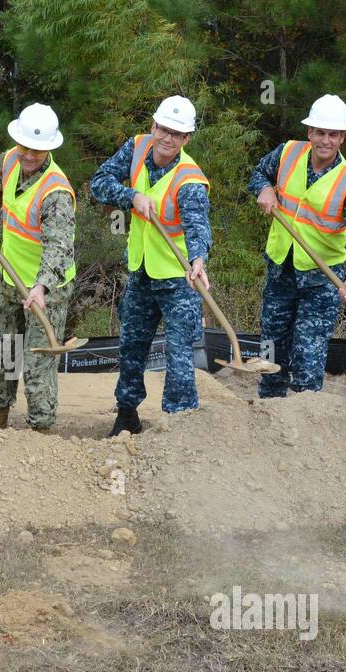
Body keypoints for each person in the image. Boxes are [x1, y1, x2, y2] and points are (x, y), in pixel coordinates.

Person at [90, 95, 211, 437]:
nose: (167, 139)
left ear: (186, 139)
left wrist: (199, 259)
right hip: (141, 271)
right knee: (131, 345)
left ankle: (179, 425)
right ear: (153, 125)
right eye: (163, 129)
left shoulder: (190, 180)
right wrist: (131, 197)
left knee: (179, 352)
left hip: (178, 278)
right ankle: (127, 415)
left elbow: (197, 226)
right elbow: (99, 182)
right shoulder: (137, 147)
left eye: (176, 134)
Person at [249, 94, 346, 398]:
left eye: (333, 134)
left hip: (322, 279)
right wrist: (265, 188)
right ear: (309, 132)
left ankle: (306, 418)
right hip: (281, 267)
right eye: (320, 132)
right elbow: (258, 173)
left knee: (308, 350)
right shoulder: (287, 153)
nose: (325, 140)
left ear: (342, 138)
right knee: (271, 342)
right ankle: (269, 403)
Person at [0, 103, 76, 433]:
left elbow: (59, 247)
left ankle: (41, 433)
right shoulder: (8, 160)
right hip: (10, 279)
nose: (29, 155)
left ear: (49, 148)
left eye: (38, 150)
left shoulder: (56, 192)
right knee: (2, 352)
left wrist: (41, 288)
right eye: (26, 146)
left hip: (48, 290)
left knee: (37, 362)